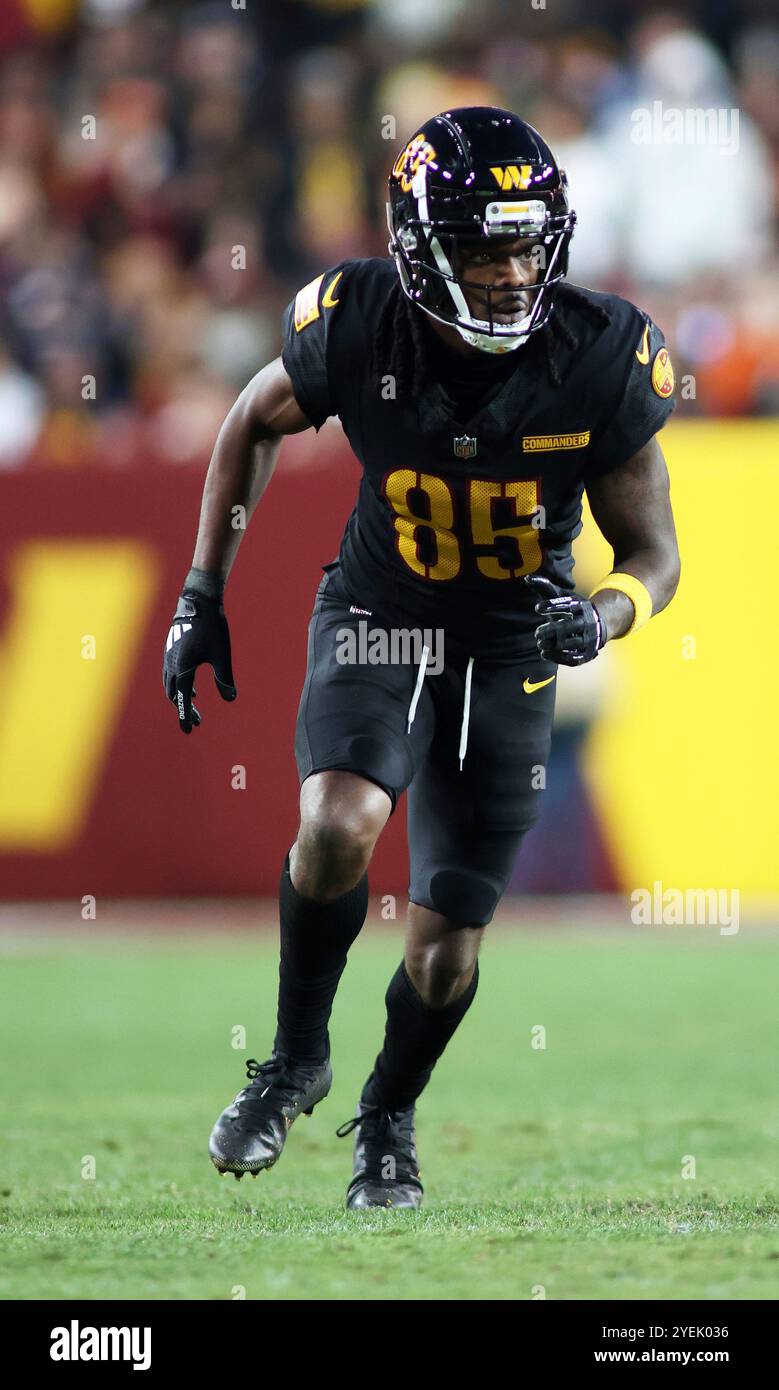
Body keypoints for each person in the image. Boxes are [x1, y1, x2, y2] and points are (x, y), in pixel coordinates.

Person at [163, 108, 680, 1209]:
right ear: (418, 246)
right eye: (484, 247)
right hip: (382, 609)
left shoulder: (597, 349)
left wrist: (605, 612)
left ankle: (386, 1120)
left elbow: (653, 553)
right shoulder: (359, 321)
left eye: (526, 244)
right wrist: (200, 593)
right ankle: (296, 1058)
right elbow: (249, 422)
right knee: (335, 822)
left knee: (445, 948)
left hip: (509, 644)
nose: (510, 272)